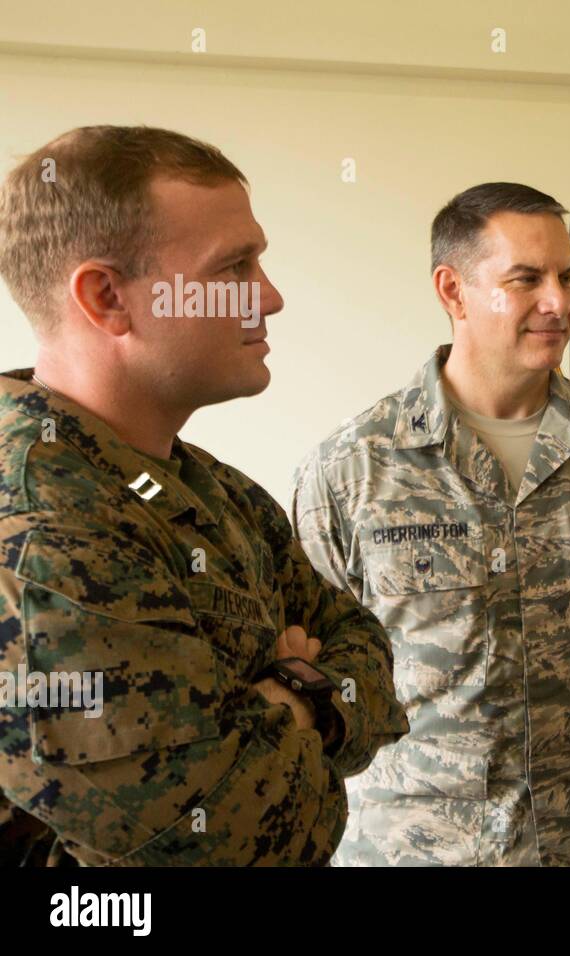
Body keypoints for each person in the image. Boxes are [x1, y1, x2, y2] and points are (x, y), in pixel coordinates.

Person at [0, 126, 408, 865]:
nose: (272, 297)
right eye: (235, 267)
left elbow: (373, 666)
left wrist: (278, 701)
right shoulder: (37, 522)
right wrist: (311, 697)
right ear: (106, 297)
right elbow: (226, 836)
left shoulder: (213, 489)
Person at [292, 182, 570, 865]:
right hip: (424, 852)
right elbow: (322, 678)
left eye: (567, 277)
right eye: (526, 279)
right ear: (453, 290)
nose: (559, 303)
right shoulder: (351, 471)